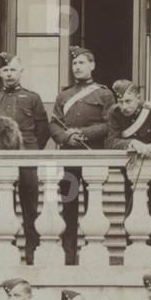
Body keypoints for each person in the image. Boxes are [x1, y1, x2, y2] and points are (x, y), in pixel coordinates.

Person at [49, 46, 115, 264]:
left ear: (92, 65)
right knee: (69, 204)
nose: (77, 67)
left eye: (82, 63)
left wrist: (83, 134)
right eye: (75, 64)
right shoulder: (64, 95)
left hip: (93, 156)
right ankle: (69, 253)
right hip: (68, 158)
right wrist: (66, 138)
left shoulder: (104, 94)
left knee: (92, 204)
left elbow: (110, 124)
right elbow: (54, 125)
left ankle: (92, 251)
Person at [0, 52, 49, 263]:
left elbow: (43, 129)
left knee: (30, 207)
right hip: (3, 158)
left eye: (13, 69)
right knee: (5, 206)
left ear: (21, 72)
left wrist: (31, 150)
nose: (9, 74)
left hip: (27, 156)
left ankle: (32, 254)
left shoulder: (32, 98)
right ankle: (8, 253)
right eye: (5, 70)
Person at [104, 80, 151, 257]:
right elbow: (111, 142)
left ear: (138, 98)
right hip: (133, 168)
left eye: (128, 101)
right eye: (120, 102)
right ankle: (133, 251)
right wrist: (132, 142)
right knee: (131, 208)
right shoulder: (114, 114)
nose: (123, 106)